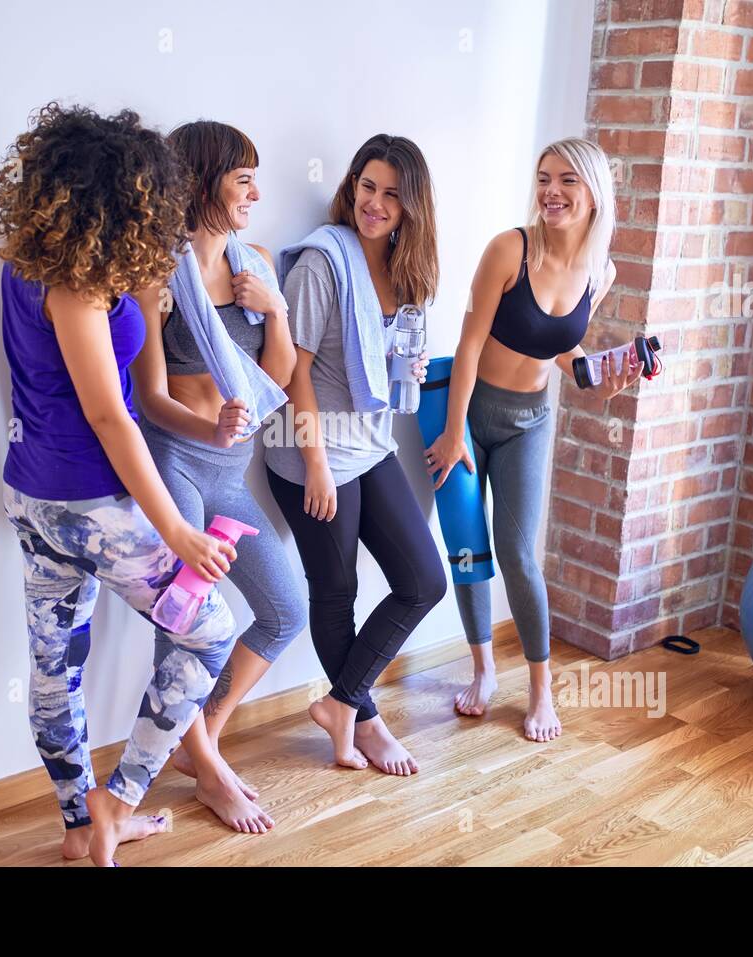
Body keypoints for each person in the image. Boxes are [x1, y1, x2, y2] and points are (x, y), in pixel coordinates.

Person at [0, 103, 238, 866]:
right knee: (212, 630)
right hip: (93, 502)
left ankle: (77, 826)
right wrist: (177, 532)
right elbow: (108, 414)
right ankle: (117, 797)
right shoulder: (75, 285)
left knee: (57, 662)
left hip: (33, 492)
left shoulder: (28, 260)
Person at [421, 137, 640, 742]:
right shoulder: (508, 249)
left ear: (595, 194)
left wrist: (598, 377)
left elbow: (560, 346)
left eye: (568, 180)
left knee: (517, 554)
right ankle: (483, 669)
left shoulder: (603, 270)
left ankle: (541, 693)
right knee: (467, 548)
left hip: (530, 421)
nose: (553, 191)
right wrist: (452, 431)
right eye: (545, 178)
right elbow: (469, 344)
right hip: (468, 411)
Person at [130, 120, 305, 834]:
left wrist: (278, 310)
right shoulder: (156, 272)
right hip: (177, 460)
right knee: (185, 623)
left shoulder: (254, 264)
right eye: (242, 180)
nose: (256, 194)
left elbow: (281, 379)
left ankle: (204, 732)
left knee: (285, 607)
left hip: (234, 470)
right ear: (202, 184)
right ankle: (206, 768)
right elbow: (148, 400)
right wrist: (213, 429)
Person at [263, 134, 446, 776]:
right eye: (367, 186)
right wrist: (314, 463)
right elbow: (294, 372)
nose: (374, 203)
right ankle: (364, 721)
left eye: (392, 194)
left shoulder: (404, 269)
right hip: (310, 451)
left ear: (411, 208)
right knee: (335, 592)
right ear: (352, 186)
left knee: (424, 581)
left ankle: (342, 704)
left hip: (369, 445)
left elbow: (383, 362)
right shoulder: (322, 264)